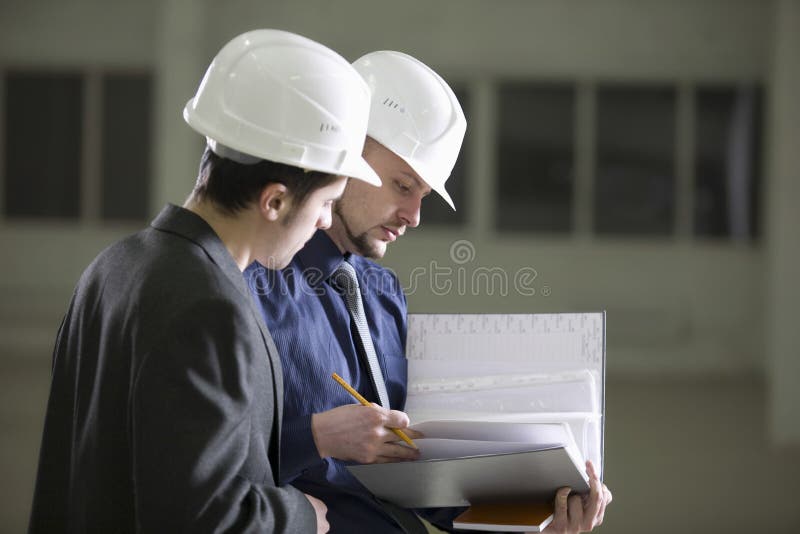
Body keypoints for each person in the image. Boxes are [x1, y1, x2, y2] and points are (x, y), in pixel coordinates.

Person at [28, 29, 383, 533]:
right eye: (326, 203)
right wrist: (303, 517)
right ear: (275, 200)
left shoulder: (113, 267)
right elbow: (201, 517)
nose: (326, 222)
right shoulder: (209, 307)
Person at [246, 51, 611, 533]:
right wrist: (313, 438)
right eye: (403, 185)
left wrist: (538, 516)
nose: (414, 216)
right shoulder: (252, 283)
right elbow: (209, 460)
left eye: (424, 195)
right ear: (346, 154)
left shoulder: (382, 293)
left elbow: (414, 473)